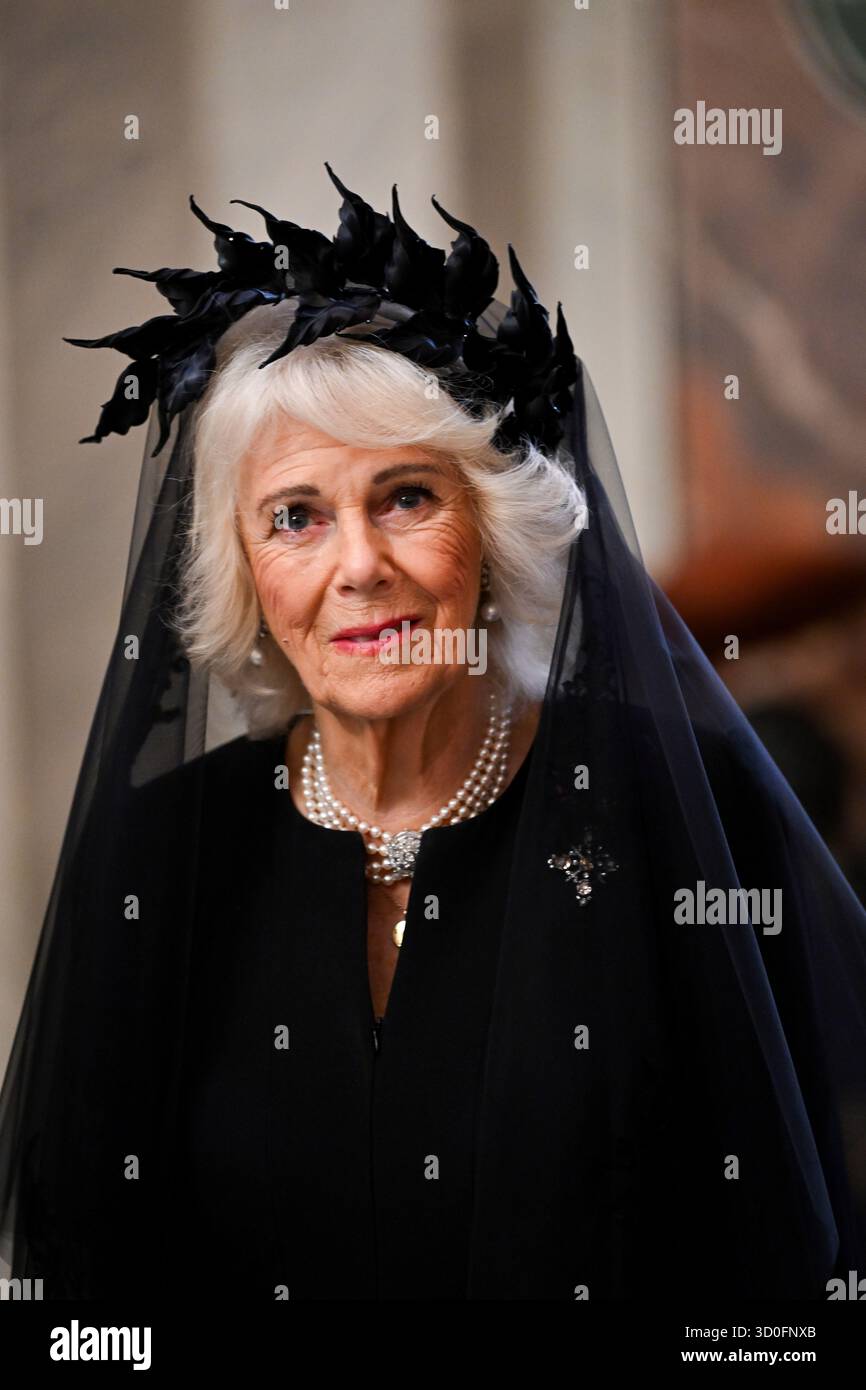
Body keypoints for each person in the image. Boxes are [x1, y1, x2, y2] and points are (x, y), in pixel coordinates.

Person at [1, 166, 865, 1301]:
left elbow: (774, 1284)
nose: (358, 566)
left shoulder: (672, 810)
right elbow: (87, 1298)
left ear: (491, 535)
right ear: (248, 574)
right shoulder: (168, 852)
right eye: (296, 517)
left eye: (406, 497)